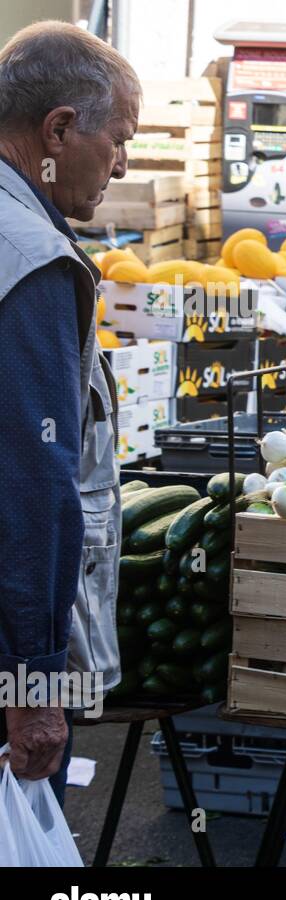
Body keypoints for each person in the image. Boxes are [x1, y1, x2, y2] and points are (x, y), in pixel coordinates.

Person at [0, 23, 139, 802]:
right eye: (117, 138)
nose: (121, 163)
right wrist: (33, 683)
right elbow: (28, 483)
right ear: (59, 129)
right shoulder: (32, 261)